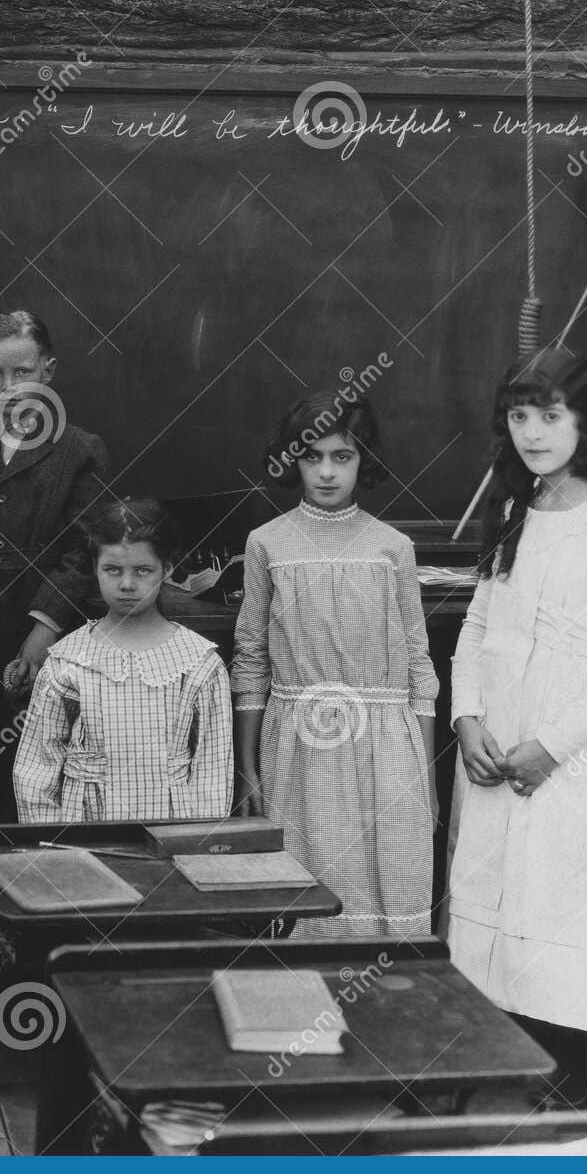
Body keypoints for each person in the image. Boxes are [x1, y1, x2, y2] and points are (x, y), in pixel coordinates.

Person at [447, 347, 587, 1110]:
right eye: (518, 416)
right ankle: (502, 1071)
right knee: (496, 899)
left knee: (562, 905)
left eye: (550, 415)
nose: (532, 433)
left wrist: (552, 748)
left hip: (578, 753)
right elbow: (477, 625)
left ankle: (567, 1081)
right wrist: (467, 716)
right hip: (498, 744)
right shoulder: (514, 511)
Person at [231, 393, 438, 937]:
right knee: (309, 898)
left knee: (392, 878)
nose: (326, 472)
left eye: (342, 457)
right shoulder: (266, 544)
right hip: (298, 747)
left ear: (363, 460)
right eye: (311, 456)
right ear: (293, 460)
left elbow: (419, 667)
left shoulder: (393, 547)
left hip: (386, 747)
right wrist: (247, 768)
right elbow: (250, 659)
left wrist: (427, 779)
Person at [0, 310, 107, 824]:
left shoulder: (80, 449)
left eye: (22, 372)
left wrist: (43, 629)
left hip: (47, 627)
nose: (9, 386)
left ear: (48, 371)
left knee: (44, 770)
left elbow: (85, 550)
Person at [13, 498, 232, 822]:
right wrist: (52, 842)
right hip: (85, 830)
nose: (127, 584)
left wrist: (194, 841)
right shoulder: (68, 661)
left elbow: (212, 771)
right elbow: (37, 767)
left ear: (167, 569)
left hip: (171, 825)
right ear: (96, 567)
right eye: (113, 569)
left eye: (143, 570)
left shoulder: (199, 663)